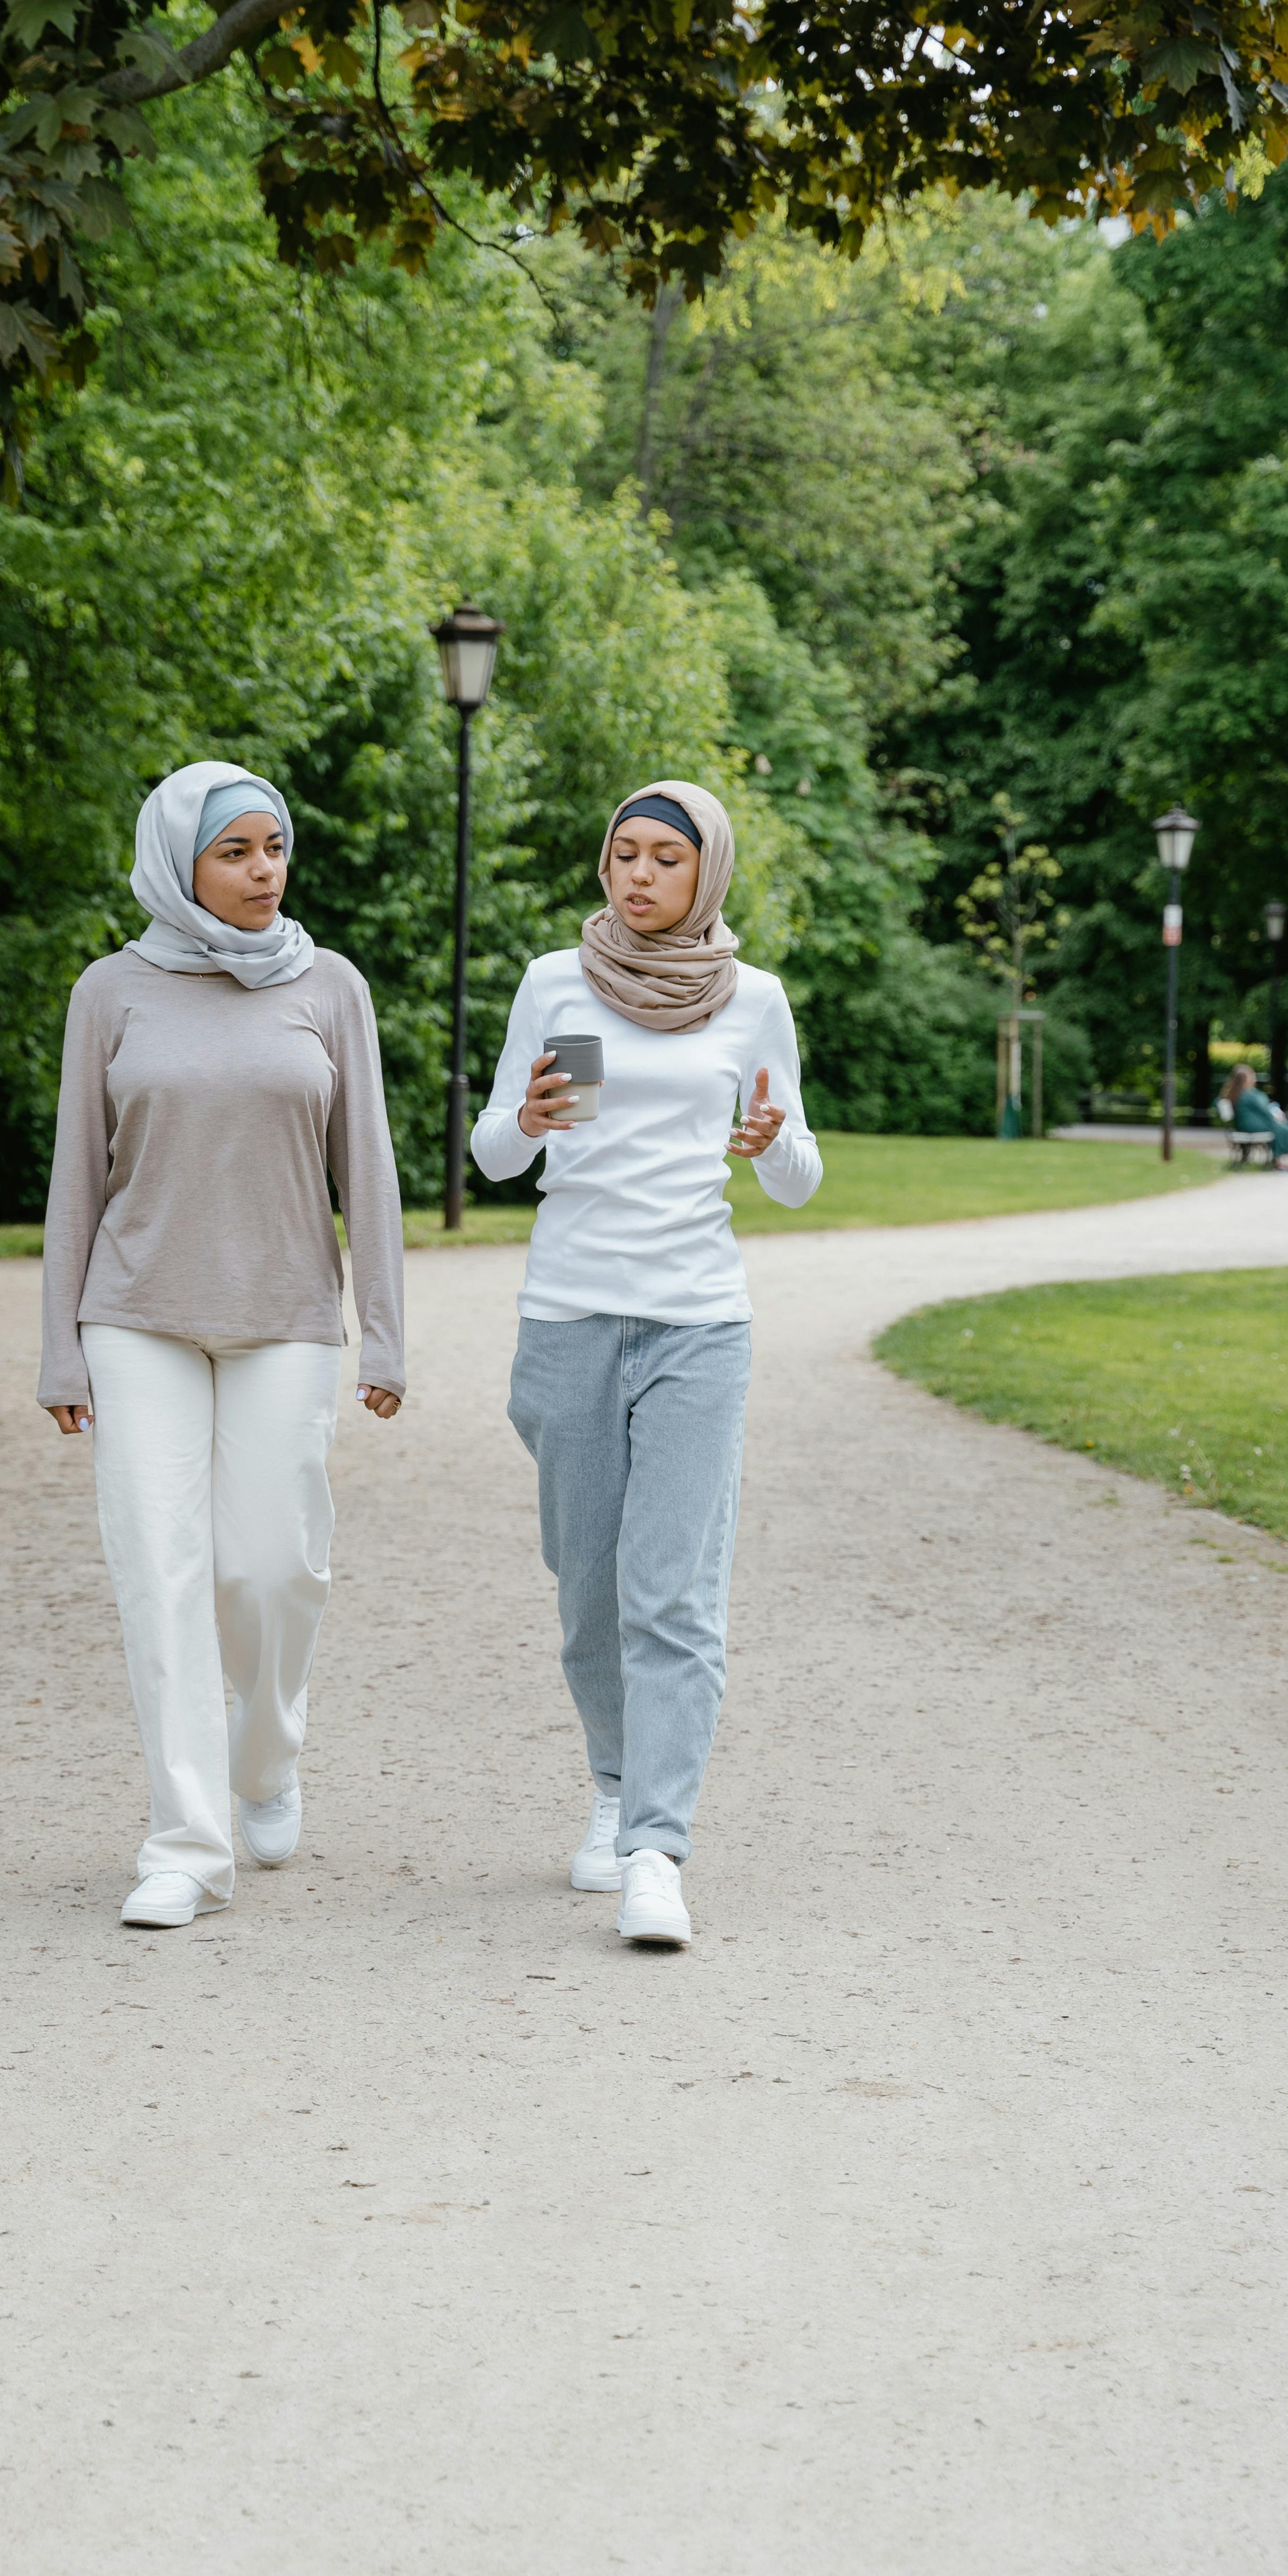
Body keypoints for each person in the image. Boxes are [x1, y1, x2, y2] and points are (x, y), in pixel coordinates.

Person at [38, 760, 405, 1930]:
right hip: (137, 1309)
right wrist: (61, 1345)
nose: (263, 871)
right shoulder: (111, 989)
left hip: (287, 1312)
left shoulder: (330, 987)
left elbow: (372, 1170)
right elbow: (74, 1179)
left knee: (271, 1564)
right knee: (161, 1570)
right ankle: (186, 1843)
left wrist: (384, 1331)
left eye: (275, 847)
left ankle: (268, 1755)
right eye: (235, 851)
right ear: (178, 865)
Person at [472, 780, 823, 1950]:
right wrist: (523, 1116)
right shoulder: (554, 982)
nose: (638, 875)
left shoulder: (751, 999)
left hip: (697, 1323)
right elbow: (494, 1157)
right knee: (588, 1588)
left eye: (665, 858)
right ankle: (614, 1782)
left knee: (671, 1593)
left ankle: (655, 1848)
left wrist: (777, 1145)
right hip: (569, 1314)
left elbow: (796, 1175)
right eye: (623, 853)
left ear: (706, 873)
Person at [1219, 1062, 1288, 1169]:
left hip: (1248, 1125)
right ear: (1245, 1079)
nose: (1255, 1078)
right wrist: (1275, 1117)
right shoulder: (1249, 1095)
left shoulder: (1238, 1094)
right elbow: (1263, 1111)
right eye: (1252, 1075)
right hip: (1254, 1127)